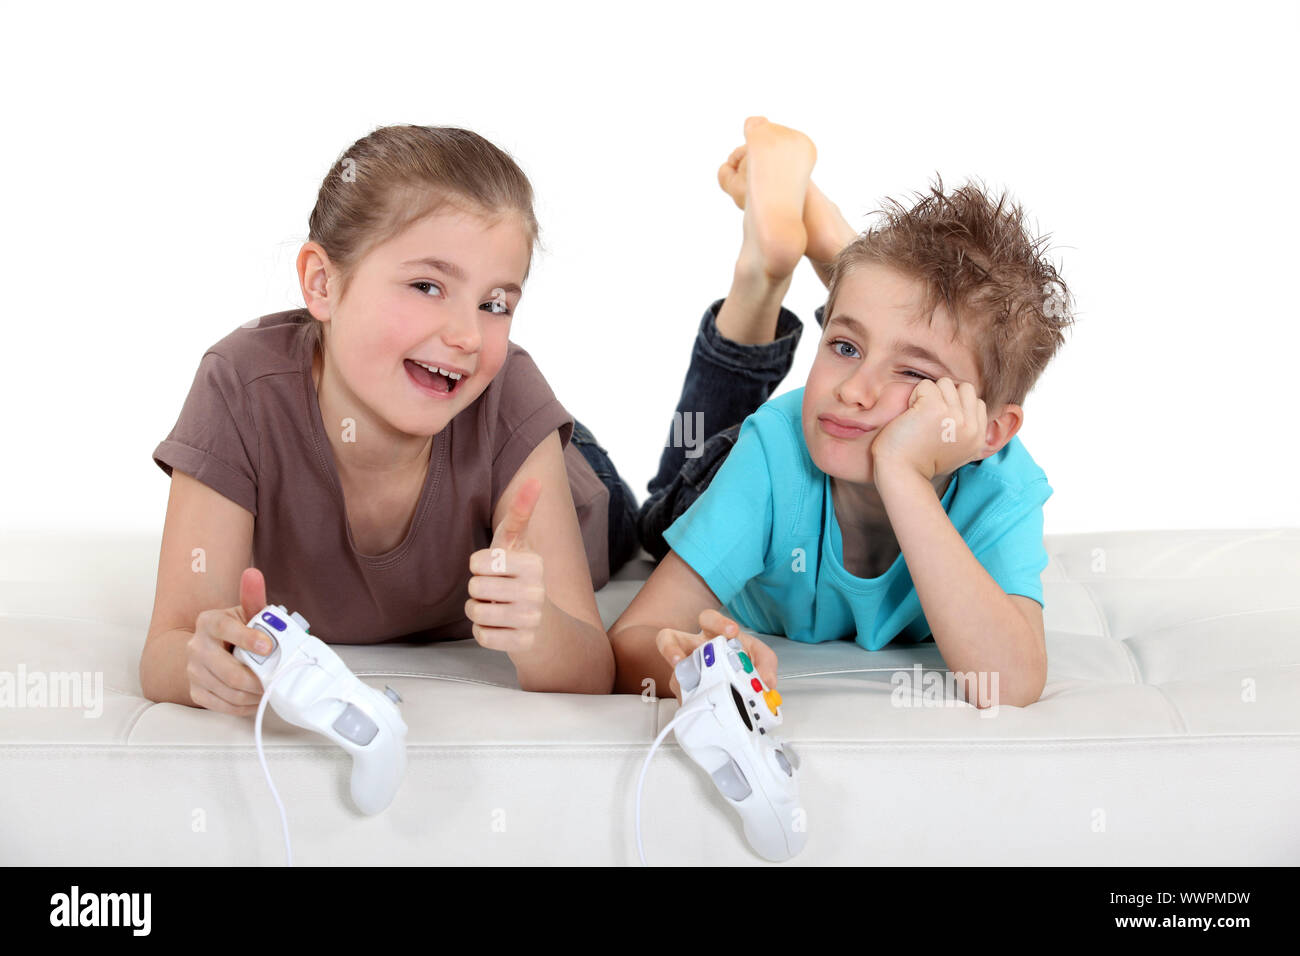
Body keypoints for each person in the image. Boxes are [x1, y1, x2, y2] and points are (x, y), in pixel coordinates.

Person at [141, 125, 639, 712]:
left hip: (586, 486)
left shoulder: (508, 397)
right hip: (495, 428)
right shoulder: (240, 388)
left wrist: (538, 630)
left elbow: (590, 667)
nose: (466, 336)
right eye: (427, 286)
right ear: (322, 283)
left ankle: (746, 312)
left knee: (676, 511)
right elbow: (168, 648)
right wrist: (201, 667)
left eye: (495, 304)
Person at [613, 116, 1076, 709]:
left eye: (914, 373)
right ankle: (764, 274)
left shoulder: (1002, 486)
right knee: (658, 516)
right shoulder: (773, 455)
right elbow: (630, 639)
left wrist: (904, 476)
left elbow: (1010, 684)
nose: (854, 389)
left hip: (824, 445)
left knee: (885, 308)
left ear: (990, 430)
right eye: (843, 345)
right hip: (732, 463)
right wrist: (697, 668)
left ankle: (839, 255)